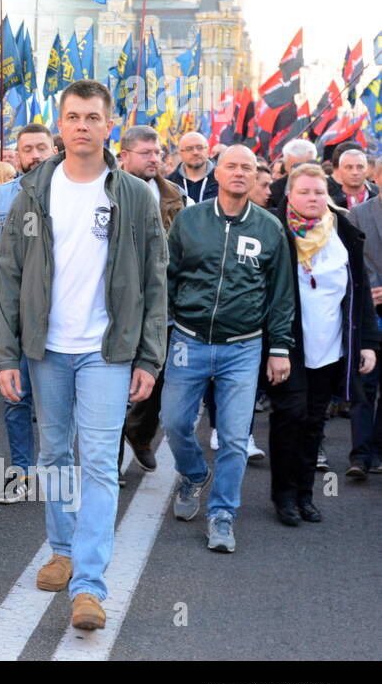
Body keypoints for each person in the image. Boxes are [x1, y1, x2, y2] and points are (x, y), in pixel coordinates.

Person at [0, 79, 167, 632]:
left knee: (97, 462)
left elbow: (154, 280)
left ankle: (89, 586)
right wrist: (4, 355)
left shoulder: (134, 196)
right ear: (60, 125)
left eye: (93, 117)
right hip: (47, 348)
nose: (83, 126)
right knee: (53, 456)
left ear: (108, 125)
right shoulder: (32, 193)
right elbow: (9, 276)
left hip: (106, 351)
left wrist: (148, 356)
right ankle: (62, 549)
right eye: (73, 117)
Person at [159, 145, 295, 552]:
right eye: (232, 166)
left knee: (235, 438)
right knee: (175, 423)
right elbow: (169, 276)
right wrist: (158, 332)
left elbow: (281, 294)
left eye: (247, 168)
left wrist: (281, 348)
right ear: (218, 173)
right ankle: (194, 474)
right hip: (189, 339)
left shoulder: (270, 229)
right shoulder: (189, 220)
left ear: (255, 177)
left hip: (243, 347)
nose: (239, 173)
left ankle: (222, 514)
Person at [266, 163, 378, 525]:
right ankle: (283, 497)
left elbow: (359, 290)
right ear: (290, 196)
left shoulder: (342, 228)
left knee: (315, 421)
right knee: (290, 417)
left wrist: (366, 343)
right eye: (305, 192)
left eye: (319, 192)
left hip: (331, 343)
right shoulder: (274, 228)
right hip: (289, 342)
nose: (313, 198)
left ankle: (306, 494)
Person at [116, 126, 188, 476]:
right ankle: (110, 463)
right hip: (118, 302)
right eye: (146, 153)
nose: (155, 159)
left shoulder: (174, 194)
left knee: (157, 379)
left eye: (157, 152)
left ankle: (140, 434)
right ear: (124, 155)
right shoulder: (107, 189)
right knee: (113, 382)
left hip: (163, 302)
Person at [0, 122, 55, 501]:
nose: (34, 156)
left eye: (41, 148)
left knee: (57, 404)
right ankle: (21, 471)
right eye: (26, 149)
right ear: (15, 155)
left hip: (58, 318)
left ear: (53, 150)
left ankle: (55, 469)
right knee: (16, 398)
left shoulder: (71, 194)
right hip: (11, 312)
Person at [348, 187, 382, 478]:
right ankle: (359, 455)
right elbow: (352, 259)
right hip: (367, 309)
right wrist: (367, 290)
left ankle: (378, 452)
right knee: (364, 384)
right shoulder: (358, 213)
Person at [266, 139, 317, 215]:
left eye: (309, 166)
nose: (302, 172)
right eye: (296, 167)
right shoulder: (274, 190)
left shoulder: (328, 188)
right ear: (286, 165)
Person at [168, 131, 218, 203]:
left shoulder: (221, 180)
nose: (195, 152)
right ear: (180, 154)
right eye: (189, 149)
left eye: (200, 147)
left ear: (208, 150)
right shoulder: (170, 184)